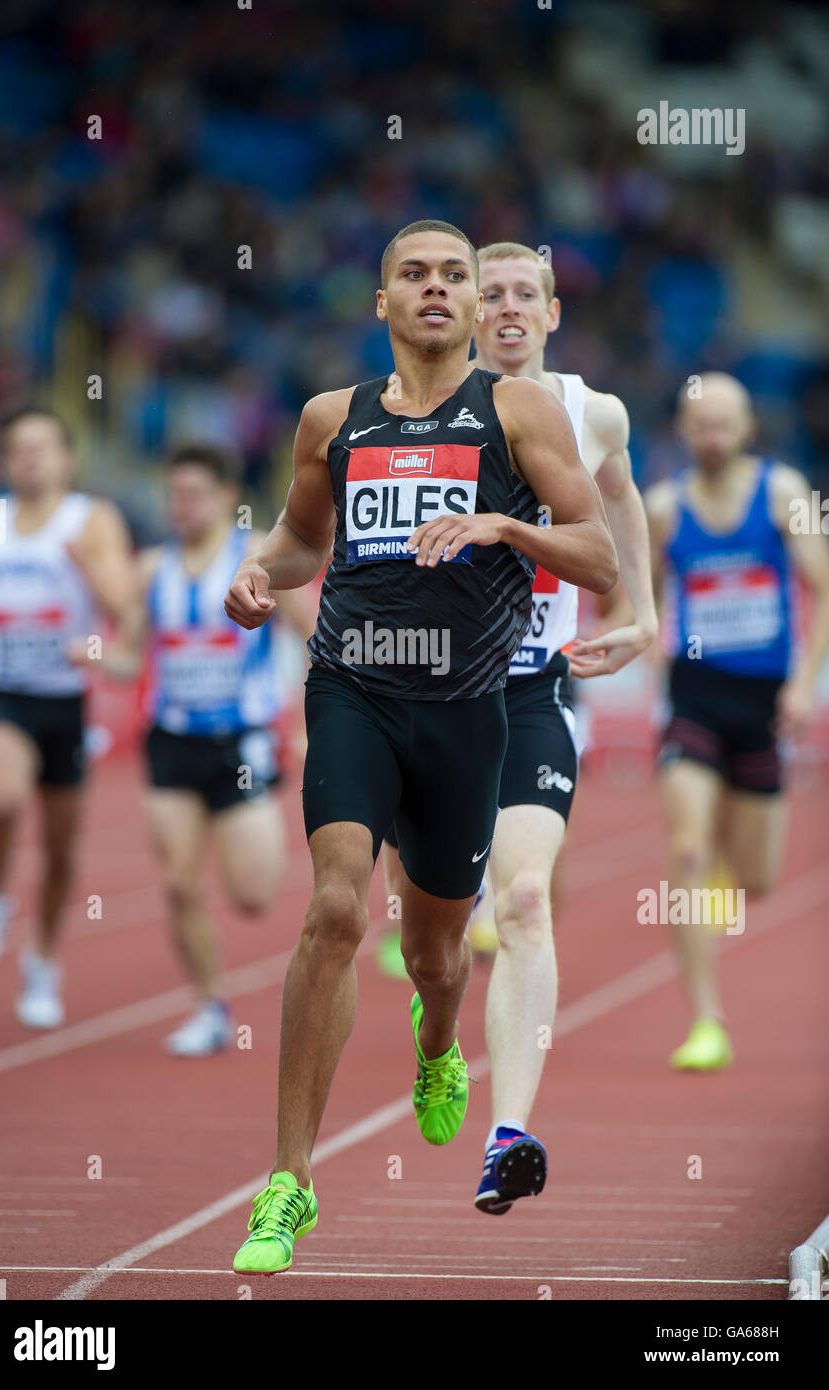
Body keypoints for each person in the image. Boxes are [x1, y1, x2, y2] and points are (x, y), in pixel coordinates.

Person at [222, 219, 618, 1274]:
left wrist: (505, 529)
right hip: (354, 688)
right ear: (381, 302)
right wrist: (261, 575)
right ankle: (288, 1183)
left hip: (468, 706)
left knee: (440, 953)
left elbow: (599, 553)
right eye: (416, 275)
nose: (440, 288)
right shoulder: (331, 419)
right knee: (339, 904)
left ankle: (436, 1047)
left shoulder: (516, 410)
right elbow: (304, 538)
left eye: (455, 275)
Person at [381, 240, 657, 1215]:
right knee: (433, 944)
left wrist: (643, 614)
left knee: (527, 900)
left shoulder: (596, 413)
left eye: (520, 294)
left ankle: (509, 1136)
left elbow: (619, 502)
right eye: (484, 291)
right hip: (423, 700)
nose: (501, 307)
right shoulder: (413, 415)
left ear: (549, 314)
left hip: (532, 693)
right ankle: (436, 1030)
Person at [76, 442, 316, 1055]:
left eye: (194, 494)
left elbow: (315, 638)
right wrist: (96, 656)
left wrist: (311, 725)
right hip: (172, 740)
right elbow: (130, 656)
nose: (181, 506)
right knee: (180, 885)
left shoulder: (259, 555)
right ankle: (210, 1006)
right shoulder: (151, 568)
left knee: (254, 894)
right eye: (174, 495)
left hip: (241, 744)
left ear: (225, 497)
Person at [645, 372, 829, 1069]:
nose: (711, 437)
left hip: (764, 700)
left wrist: (804, 686)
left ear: (746, 428)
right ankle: (705, 1020)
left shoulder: (783, 494)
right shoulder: (663, 506)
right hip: (691, 696)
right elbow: (649, 593)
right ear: (683, 432)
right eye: (699, 425)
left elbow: (822, 588)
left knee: (755, 881)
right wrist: (654, 641)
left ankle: (729, 870)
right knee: (687, 852)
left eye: (723, 425)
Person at [0, 408, 132, 1026]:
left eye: (42, 448)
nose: (29, 458)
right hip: (3, 691)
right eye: (17, 449)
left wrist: (86, 568)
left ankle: (43, 961)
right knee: (5, 802)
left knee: (61, 853)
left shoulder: (89, 520)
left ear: (67, 458)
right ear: (3, 460)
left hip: (65, 699)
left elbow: (122, 608)